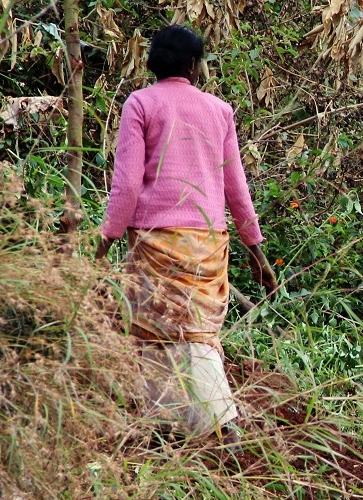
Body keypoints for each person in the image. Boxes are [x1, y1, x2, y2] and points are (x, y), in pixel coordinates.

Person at [96, 25, 278, 441]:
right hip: (207, 244)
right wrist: (257, 255)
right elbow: (236, 189)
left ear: (152, 62)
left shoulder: (140, 104)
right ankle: (170, 427)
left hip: (154, 241)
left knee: (157, 329)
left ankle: (220, 426)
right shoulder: (220, 111)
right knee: (191, 333)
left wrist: (103, 242)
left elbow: (125, 187)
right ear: (196, 66)